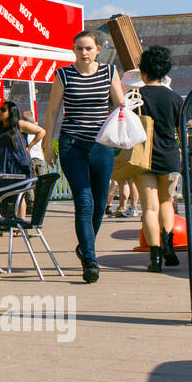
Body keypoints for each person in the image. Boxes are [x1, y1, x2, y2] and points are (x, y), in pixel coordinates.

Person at [41, 30, 126, 283]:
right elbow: (53, 110)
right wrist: (48, 143)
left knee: (100, 204)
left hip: (101, 144)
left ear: (98, 49)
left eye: (88, 48)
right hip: (72, 144)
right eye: (79, 48)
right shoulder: (63, 75)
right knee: (84, 200)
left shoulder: (109, 72)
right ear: (74, 50)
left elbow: (119, 103)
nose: (84, 53)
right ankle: (90, 259)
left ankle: (84, 246)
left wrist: (131, 102)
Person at [135, 46, 185, 271]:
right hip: (170, 157)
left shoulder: (135, 97)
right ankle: (169, 246)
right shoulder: (175, 98)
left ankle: (154, 259)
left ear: (142, 71)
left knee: (149, 208)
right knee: (167, 202)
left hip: (143, 157)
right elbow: (182, 129)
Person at [0, 100, 42, 218]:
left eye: (3, 110)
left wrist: (29, 147)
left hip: (17, 165)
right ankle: (3, 221)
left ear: (11, 112)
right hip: (1, 165)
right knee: (1, 194)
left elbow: (41, 132)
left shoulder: (19, 125)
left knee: (19, 194)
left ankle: (20, 222)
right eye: (0, 109)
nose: (0, 112)